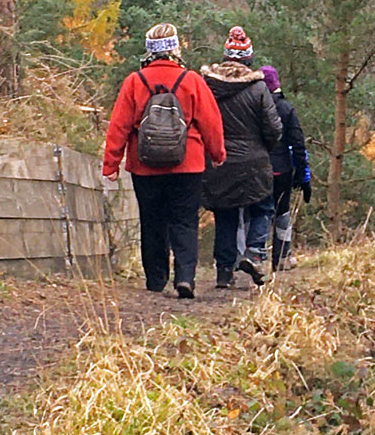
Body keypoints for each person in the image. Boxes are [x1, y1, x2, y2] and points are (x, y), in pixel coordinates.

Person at [102, 23, 226, 299]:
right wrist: (217, 154)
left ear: (149, 50)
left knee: (152, 220)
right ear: (175, 48)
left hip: (144, 165)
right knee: (184, 220)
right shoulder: (192, 80)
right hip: (188, 163)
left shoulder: (134, 81)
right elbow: (211, 122)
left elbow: (119, 126)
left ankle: (156, 279)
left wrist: (111, 164)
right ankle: (185, 278)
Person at [202, 26, 282, 287]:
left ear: (225, 57)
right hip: (253, 160)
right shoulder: (258, 89)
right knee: (262, 206)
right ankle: (255, 253)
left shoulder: (208, 86)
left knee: (225, 214)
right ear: (248, 59)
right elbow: (274, 128)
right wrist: (264, 148)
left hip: (218, 160)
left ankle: (224, 270)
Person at [259, 65, 311, 271]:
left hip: (258, 168)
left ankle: (256, 256)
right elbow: (298, 143)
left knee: (257, 213)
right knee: (282, 212)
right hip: (282, 169)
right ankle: (282, 256)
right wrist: (303, 174)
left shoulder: (254, 107)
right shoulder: (287, 109)